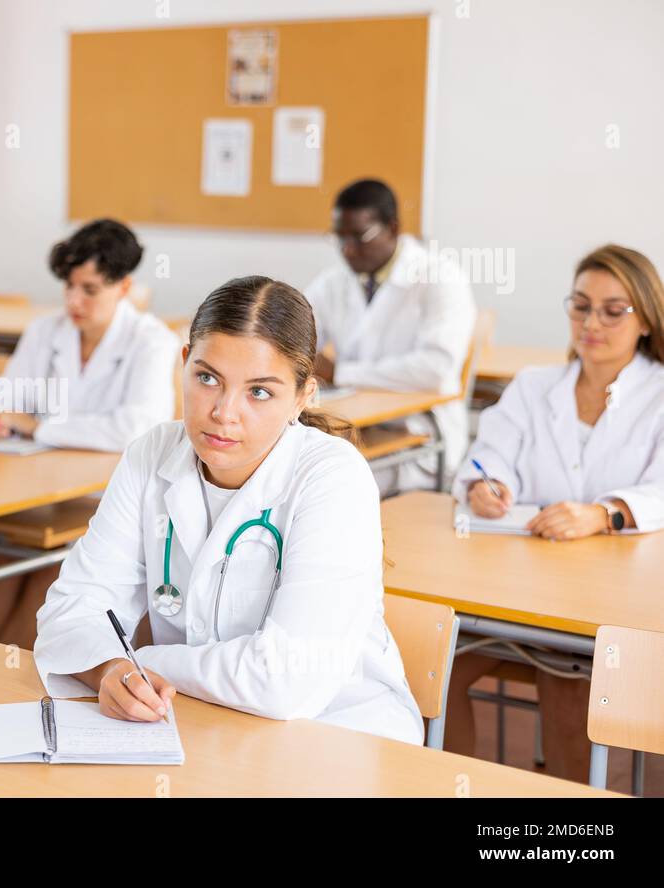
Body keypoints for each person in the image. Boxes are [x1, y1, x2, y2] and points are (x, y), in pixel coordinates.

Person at [34, 275, 423, 744]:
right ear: (183, 364)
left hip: (337, 732)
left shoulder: (333, 476)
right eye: (207, 378)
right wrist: (109, 670)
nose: (223, 412)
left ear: (303, 397)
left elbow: (286, 682)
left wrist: (138, 661)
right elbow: (70, 612)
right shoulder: (152, 453)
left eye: (259, 392)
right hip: (202, 722)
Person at [446, 243, 664, 781]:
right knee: (430, 669)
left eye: (614, 310)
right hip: (518, 594)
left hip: (608, 608)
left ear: (646, 320)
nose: (592, 322)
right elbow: (491, 453)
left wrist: (606, 513)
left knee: (566, 691)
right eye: (581, 305)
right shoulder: (534, 385)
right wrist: (487, 483)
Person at [0, 218, 179, 648]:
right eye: (69, 286)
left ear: (123, 287)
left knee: (53, 567)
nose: (73, 301)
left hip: (106, 494)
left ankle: (11, 666)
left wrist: (40, 427)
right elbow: (4, 395)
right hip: (39, 487)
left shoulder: (151, 341)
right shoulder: (47, 331)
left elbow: (136, 427)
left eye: (89, 290)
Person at [305, 178, 476, 492]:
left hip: (420, 436)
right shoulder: (334, 282)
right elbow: (298, 336)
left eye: (359, 236)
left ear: (393, 228)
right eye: (339, 237)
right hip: (352, 425)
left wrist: (340, 372)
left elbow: (436, 370)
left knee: (329, 488)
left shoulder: (440, 279)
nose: (347, 249)